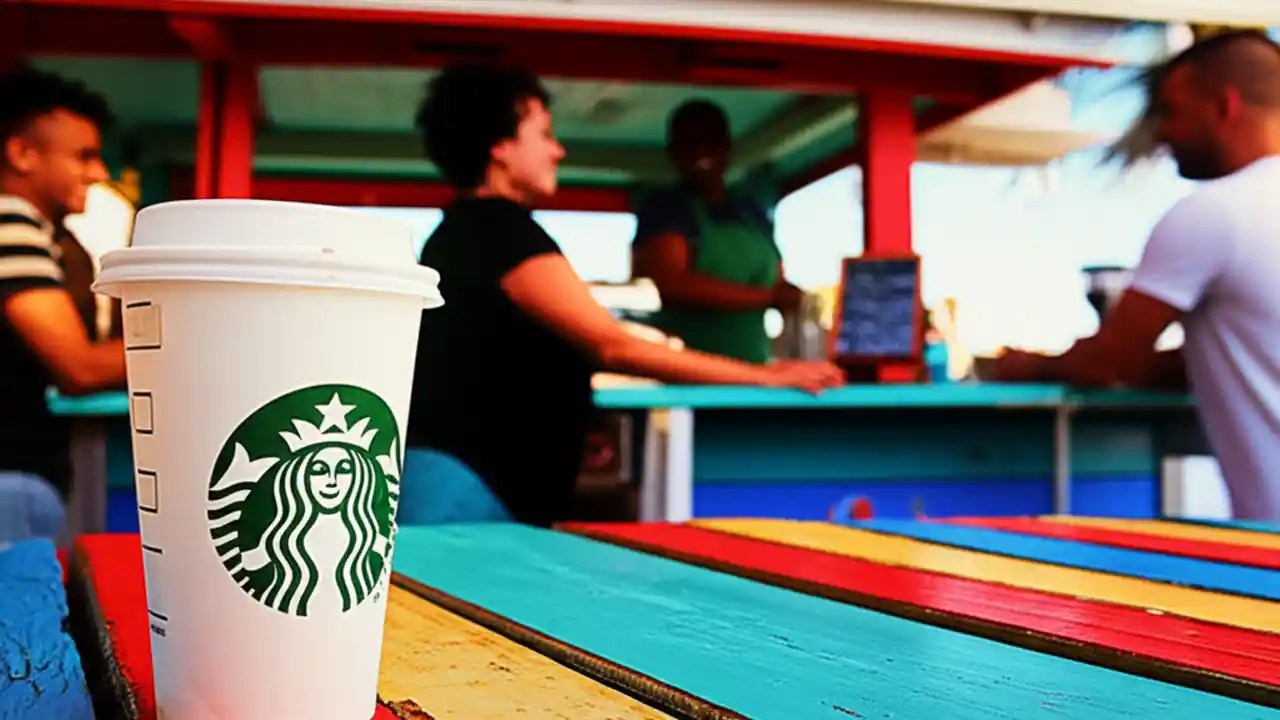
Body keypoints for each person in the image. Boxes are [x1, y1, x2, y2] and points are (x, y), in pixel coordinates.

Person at [404, 64, 844, 527]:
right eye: (545, 134)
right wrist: (764, 377)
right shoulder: (499, 231)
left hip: (462, 482)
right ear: (500, 147)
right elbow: (610, 344)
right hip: (461, 491)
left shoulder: (465, 231)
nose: (558, 150)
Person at [991, 31, 1280, 521]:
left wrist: (1030, 366)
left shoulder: (1212, 213)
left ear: (1224, 105)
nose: (1161, 134)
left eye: (1170, 111)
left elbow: (1110, 363)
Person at [0, 66, 126, 542]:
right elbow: (79, 367)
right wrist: (194, 346)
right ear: (22, 153)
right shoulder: (8, 218)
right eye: (84, 156)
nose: (98, 173)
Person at [631, 99, 804, 363]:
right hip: (689, 371)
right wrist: (766, 297)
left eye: (711, 140)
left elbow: (779, 279)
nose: (701, 150)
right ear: (673, 152)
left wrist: (792, 297)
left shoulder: (751, 211)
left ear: (728, 147)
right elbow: (673, 283)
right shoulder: (666, 206)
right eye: (689, 142)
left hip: (755, 366)